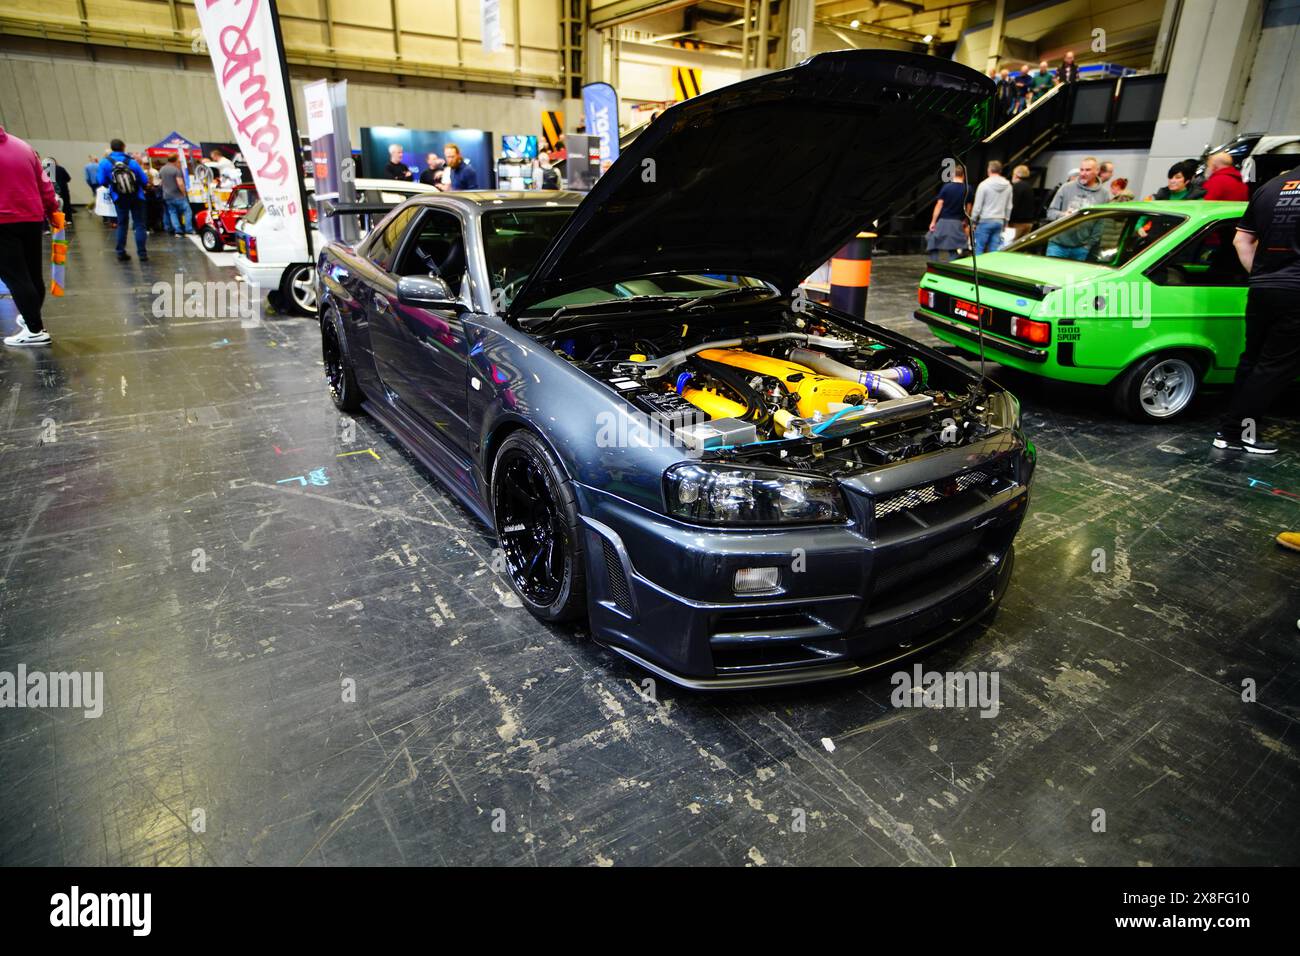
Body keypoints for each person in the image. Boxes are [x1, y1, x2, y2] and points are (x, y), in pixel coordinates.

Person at [1211, 165, 1300, 455]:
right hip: (1295, 292)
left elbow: (1241, 239)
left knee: (1253, 361)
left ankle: (1234, 431)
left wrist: (1261, 276)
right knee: (1272, 369)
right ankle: (1236, 432)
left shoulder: (1270, 187)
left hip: (1262, 288)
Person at [0, 125, 59, 346]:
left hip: (3, 220)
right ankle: (30, 318)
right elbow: (45, 185)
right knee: (33, 274)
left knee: (16, 278)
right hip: (32, 218)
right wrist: (53, 210)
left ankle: (35, 330)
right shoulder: (23, 147)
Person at [1045, 156, 1106, 258]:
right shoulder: (1066, 187)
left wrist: (1089, 245)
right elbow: (1050, 212)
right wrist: (1064, 215)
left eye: (1087, 170)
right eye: (1081, 170)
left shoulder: (1104, 194)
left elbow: (1100, 222)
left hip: (1081, 248)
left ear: (1097, 171)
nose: (1083, 173)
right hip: (1057, 245)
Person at [99, 138, 148, 262]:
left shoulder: (104, 163)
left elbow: (101, 181)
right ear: (123, 147)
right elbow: (144, 180)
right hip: (137, 196)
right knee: (139, 225)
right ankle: (142, 254)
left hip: (119, 197)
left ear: (111, 148)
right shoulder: (132, 162)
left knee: (122, 224)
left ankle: (121, 252)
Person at [925, 165, 970, 262]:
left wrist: (933, 222)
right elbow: (968, 207)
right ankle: (950, 264)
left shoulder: (946, 187)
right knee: (954, 246)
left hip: (943, 221)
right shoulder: (968, 189)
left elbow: (939, 205)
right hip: (958, 223)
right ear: (964, 175)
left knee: (938, 244)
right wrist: (965, 220)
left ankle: (941, 263)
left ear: (953, 174)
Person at [970, 160, 1013, 254]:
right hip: (999, 221)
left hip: (985, 220)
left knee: (979, 248)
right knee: (994, 250)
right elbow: (1009, 206)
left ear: (989, 170)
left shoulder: (984, 185)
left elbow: (977, 206)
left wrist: (973, 221)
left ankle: (976, 268)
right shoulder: (1008, 185)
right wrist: (1006, 222)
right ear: (1000, 170)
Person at [159, 154, 192, 237]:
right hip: (178, 195)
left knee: (172, 213)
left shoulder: (162, 169)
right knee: (187, 211)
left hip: (167, 195)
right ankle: (189, 229)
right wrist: (184, 193)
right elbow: (180, 183)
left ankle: (178, 230)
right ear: (175, 161)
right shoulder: (176, 170)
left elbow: (160, 182)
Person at [1009, 164, 1036, 239]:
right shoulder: (1029, 187)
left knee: (1010, 247)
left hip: (1017, 223)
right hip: (1028, 223)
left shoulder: (1016, 187)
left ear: (1016, 175)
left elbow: (1013, 205)